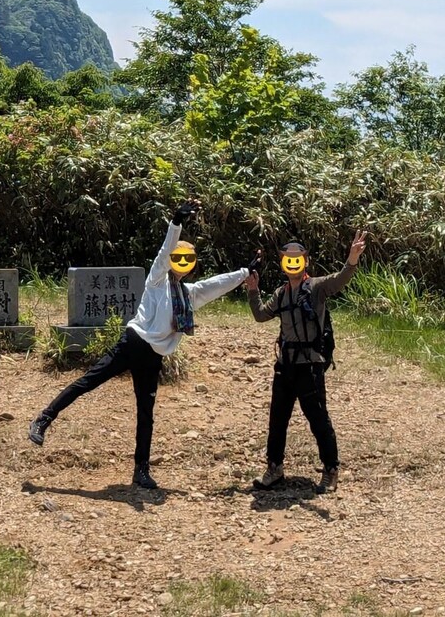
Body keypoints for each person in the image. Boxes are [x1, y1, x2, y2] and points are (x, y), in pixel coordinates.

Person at [27, 199, 252, 490]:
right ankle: (43, 419)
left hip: (153, 356)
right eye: (178, 257)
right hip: (133, 343)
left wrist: (245, 272)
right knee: (88, 381)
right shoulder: (156, 280)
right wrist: (176, 222)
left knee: (146, 412)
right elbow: (163, 252)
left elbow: (217, 285)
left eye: (187, 259)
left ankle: (141, 470)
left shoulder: (189, 294)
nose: (181, 262)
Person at [247, 230, 366, 494]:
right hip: (285, 365)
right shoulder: (280, 294)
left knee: (318, 418)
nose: (292, 263)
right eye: (287, 259)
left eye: (297, 258)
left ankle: (331, 470)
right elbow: (260, 315)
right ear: (283, 263)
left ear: (305, 261)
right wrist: (253, 291)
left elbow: (340, 280)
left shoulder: (316, 288)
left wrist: (352, 259)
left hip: (309, 366)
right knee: (277, 419)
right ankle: (274, 468)